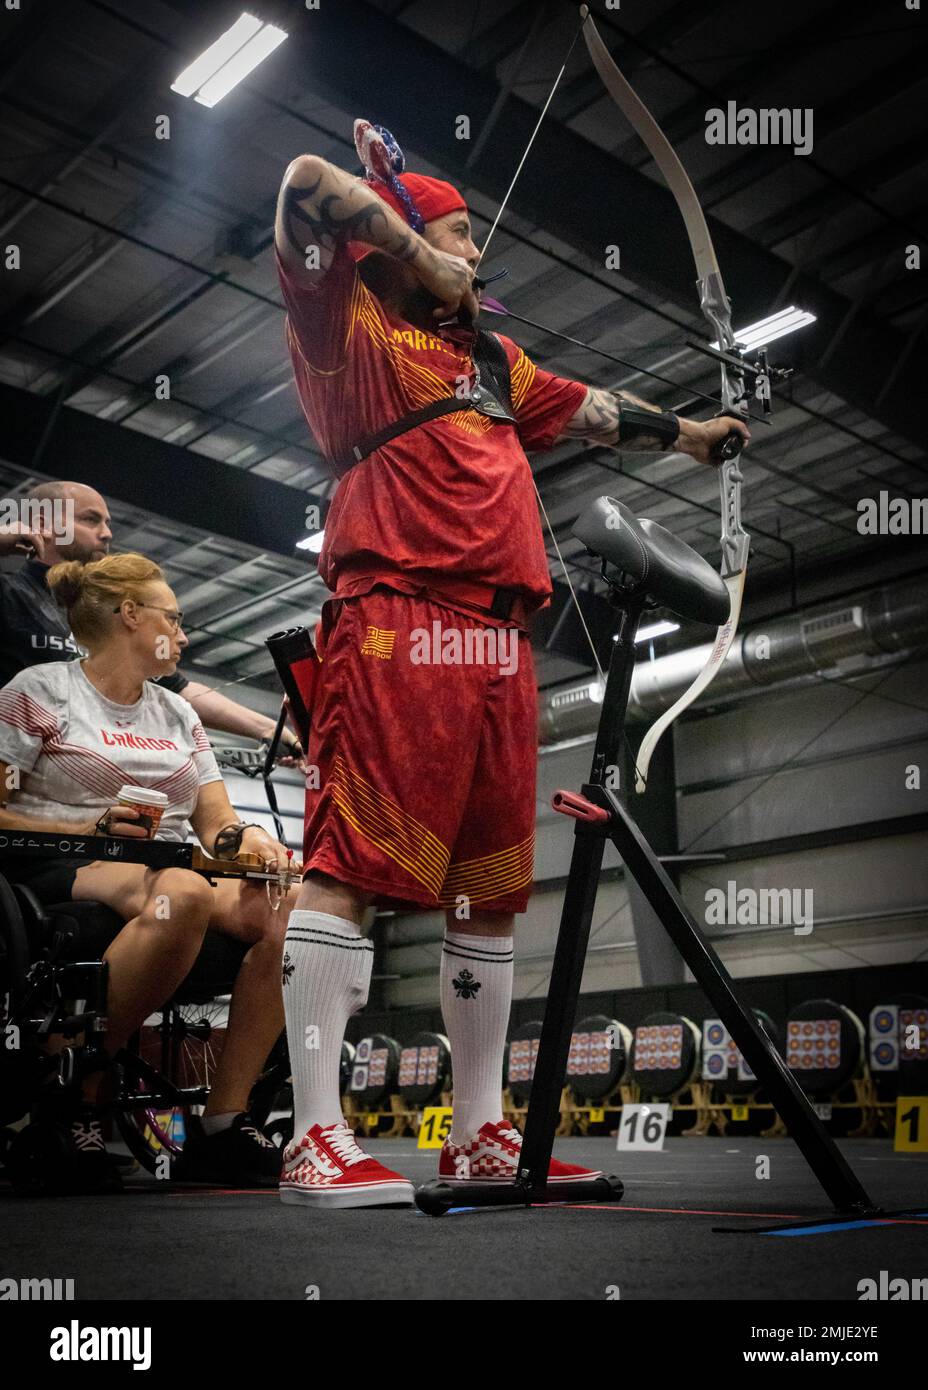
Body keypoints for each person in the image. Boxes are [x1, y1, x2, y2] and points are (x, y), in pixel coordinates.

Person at [273, 120, 750, 1207]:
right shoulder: (342, 327)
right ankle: (310, 1137)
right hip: (394, 615)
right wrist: (414, 243)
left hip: (498, 644)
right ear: (389, 249)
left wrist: (691, 435)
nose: (471, 258)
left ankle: (481, 1131)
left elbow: (589, 410)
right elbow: (307, 183)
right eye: (455, 238)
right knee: (346, 866)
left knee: (491, 894)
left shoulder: (490, 360)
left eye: (470, 243)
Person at [0, 552, 297, 1191]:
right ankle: (71, 1096)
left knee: (287, 907)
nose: (184, 636)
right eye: (175, 619)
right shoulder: (38, 690)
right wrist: (92, 829)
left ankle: (224, 1122)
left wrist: (251, 840)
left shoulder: (179, 714)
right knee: (183, 893)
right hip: (56, 865)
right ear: (130, 616)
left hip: (161, 865)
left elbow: (214, 822)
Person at [0, 479, 303, 762]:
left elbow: (179, 689)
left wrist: (271, 731)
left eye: (107, 523)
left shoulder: (112, 614)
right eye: (91, 520)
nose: (106, 533)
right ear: (43, 524)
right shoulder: (10, 596)